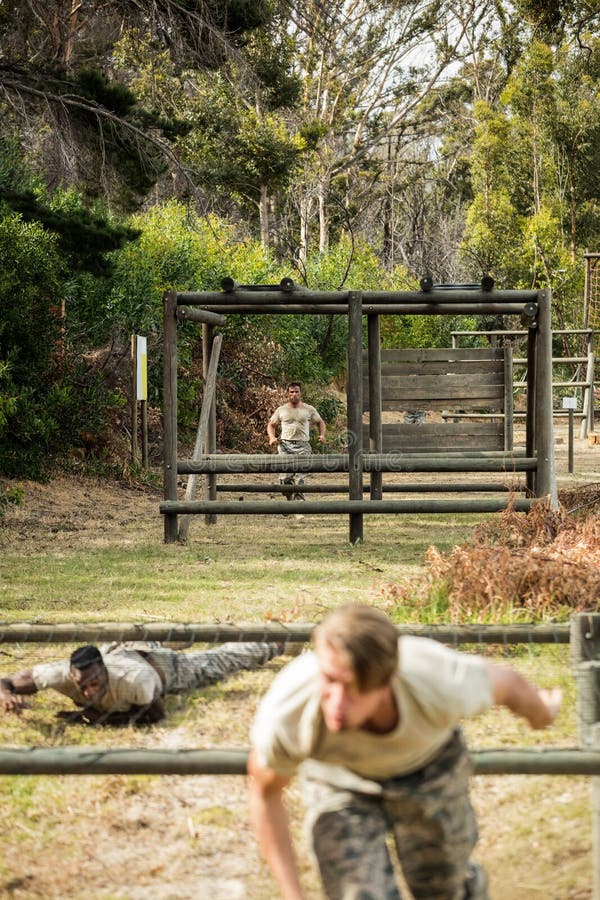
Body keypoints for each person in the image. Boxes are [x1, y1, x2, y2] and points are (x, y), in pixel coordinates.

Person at [248, 604, 562, 900]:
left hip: (430, 768)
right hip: (340, 780)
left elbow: (508, 684)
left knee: (442, 887)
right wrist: (293, 895)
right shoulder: (290, 710)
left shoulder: (437, 680)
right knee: (358, 891)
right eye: (330, 680)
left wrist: (542, 714)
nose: (338, 702)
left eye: (355, 689)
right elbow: (265, 792)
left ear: (387, 682)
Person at [0, 640, 285, 726]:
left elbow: (157, 716)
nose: (88, 691)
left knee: (218, 661)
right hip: (122, 649)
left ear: (104, 672)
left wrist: (98, 718)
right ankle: (165, 638)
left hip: (162, 668)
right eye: (82, 685)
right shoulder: (60, 674)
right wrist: (6, 697)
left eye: (95, 683)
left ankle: (277, 643)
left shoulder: (134, 682)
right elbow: (6, 682)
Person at [267, 382, 326, 504]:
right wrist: (272, 437)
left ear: (300, 393)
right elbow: (271, 425)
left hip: (303, 446)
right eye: (291, 392)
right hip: (285, 446)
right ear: (287, 394)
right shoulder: (281, 410)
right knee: (285, 478)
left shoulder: (309, 409)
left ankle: (299, 505)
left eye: (296, 392)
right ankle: (289, 499)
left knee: (300, 478)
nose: (294, 394)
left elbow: (320, 422)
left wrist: (322, 435)